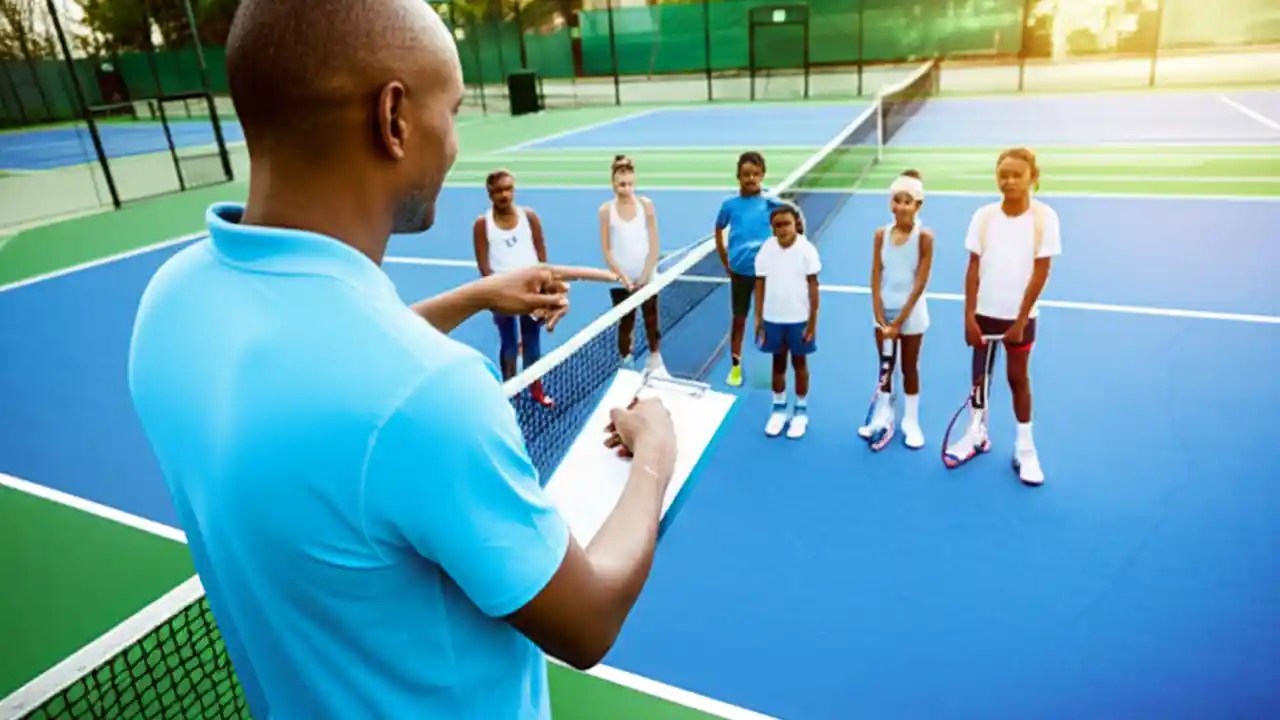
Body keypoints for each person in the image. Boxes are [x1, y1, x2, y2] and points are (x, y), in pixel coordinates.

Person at [125, 2, 678, 718]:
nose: (454, 141)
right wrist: (657, 453)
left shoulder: (172, 303)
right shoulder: (431, 394)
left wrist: (475, 295)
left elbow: (325, 383)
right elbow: (588, 620)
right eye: (450, 111)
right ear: (394, 118)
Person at [944, 147, 1061, 486]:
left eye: (1017, 175)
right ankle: (976, 434)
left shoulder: (1044, 218)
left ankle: (1025, 449)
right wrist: (969, 316)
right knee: (979, 378)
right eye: (1003, 175)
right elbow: (973, 268)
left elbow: (1042, 272)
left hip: (1019, 319)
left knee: (1017, 379)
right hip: (984, 314)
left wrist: (1021, 320)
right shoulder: (983, 216)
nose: (1009, 181)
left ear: (1032, 179)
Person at [859, 170, 934, 450]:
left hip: (912, 314)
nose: (901, 206)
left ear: (918, 205)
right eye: (896, 200)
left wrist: (899, 320)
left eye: (907, 201)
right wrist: (879, 313)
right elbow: (876, 274)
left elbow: (920, 283)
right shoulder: (881, 234)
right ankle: (883, 414)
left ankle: (911, 422)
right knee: (885, 369)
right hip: (884, 312)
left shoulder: (925, 237)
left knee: (909, 367)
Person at [474, 168, 554, 407]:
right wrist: (494, 295)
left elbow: (541, 254)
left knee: (532, 340)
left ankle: (536, 389)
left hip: (532, 290)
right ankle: (510, 390)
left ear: (514, 190)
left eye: (508, 189)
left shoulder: (529, 217)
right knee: (508, 342)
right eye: (498, 191)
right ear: (490, 194)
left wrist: (546, 287)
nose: (504, 195)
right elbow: (483, 265)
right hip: (502, 294)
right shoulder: (482, 224)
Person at [715, 150, 787, 388]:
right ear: (738, 176)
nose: (751, 179)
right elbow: (718, 229)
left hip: (766, 273)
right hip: (740, 273)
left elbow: (791, 228)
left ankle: (778, 367)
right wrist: (726, 261)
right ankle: (735, 367)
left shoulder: (771, 203)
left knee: (773, 318)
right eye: (746, 174)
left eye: (756, 174)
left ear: (763, 175)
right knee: (739, 320)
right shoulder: (729, 205)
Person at [753, 203, 821, 439]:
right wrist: (758, 318)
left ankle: (800, 413)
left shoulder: (807, 250)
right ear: (772, 228)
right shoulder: (766, 250)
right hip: (773, 319)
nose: (782, 229)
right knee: (778, 364)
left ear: (796, 225)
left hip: (799, 320)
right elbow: (759, 284)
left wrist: (812, 322)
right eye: (777, 225)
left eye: (786, 224)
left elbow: (813, 287)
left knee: (800, 365)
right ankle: (778, 410)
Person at [599, 154, 664, 373]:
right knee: (625, 324)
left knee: (651, 319)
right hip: (620, 279)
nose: (626, 189)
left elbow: (654, 244)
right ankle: (627, 364)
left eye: (629, 184)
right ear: (613, 184)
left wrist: (646, 274)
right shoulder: (606, 211)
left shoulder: (646, 205)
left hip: (647, 274)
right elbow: (607, 251)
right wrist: (625, 279)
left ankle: (655, 358)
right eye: (621, 185)